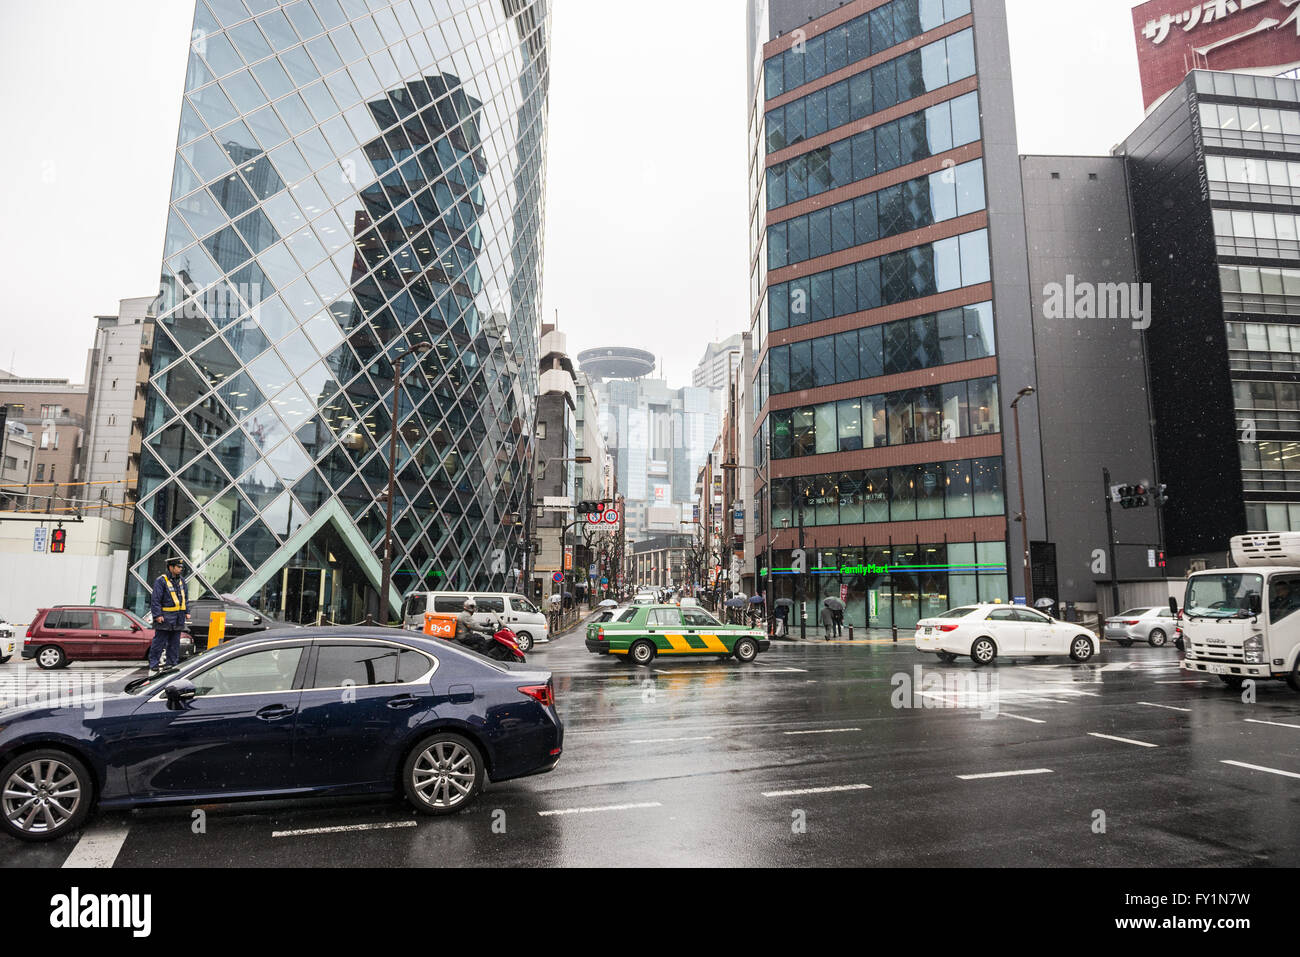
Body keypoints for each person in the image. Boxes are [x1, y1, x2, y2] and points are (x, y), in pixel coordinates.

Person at [149, 556, 191, 675]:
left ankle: (171, 663)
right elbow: (155, 600)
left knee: (174, 642)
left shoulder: (182, 580)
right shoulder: (161, 581)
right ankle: (154, 664)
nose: (180, 569)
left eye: (181, 567)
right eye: (178, 567)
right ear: (171, 567)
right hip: (165, 618)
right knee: (159, 642)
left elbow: (185, 598)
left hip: (178, 618)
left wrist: (187, 612)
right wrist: (157, 615)